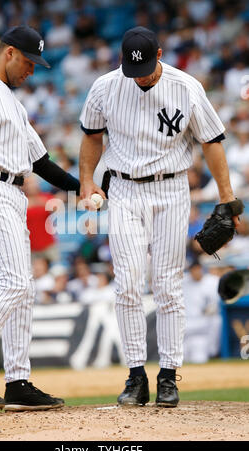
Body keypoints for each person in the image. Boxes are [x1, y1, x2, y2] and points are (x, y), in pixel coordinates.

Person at [79, 26, 241, 408]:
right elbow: (91, 135)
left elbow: (212, 142)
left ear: (161, 55)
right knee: (127, 284)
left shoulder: (186, 87)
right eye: (135, 70)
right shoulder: (105, 87)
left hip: (170, 189)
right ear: (122, 60)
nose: (143, 76)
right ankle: (136, 376)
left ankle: (168, 375)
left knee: (168, 284)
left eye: (149, 68)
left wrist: (227, 197)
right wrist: (87, 180)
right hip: (123, 190)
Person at [0, 25, 80, 411]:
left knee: (25, 288)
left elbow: (42, 164)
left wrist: (82, 187)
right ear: (8, 53)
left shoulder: (16, 104)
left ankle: (18, 381)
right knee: (14, 281)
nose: (32, 70)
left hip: (13, 191)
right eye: (27, 61)